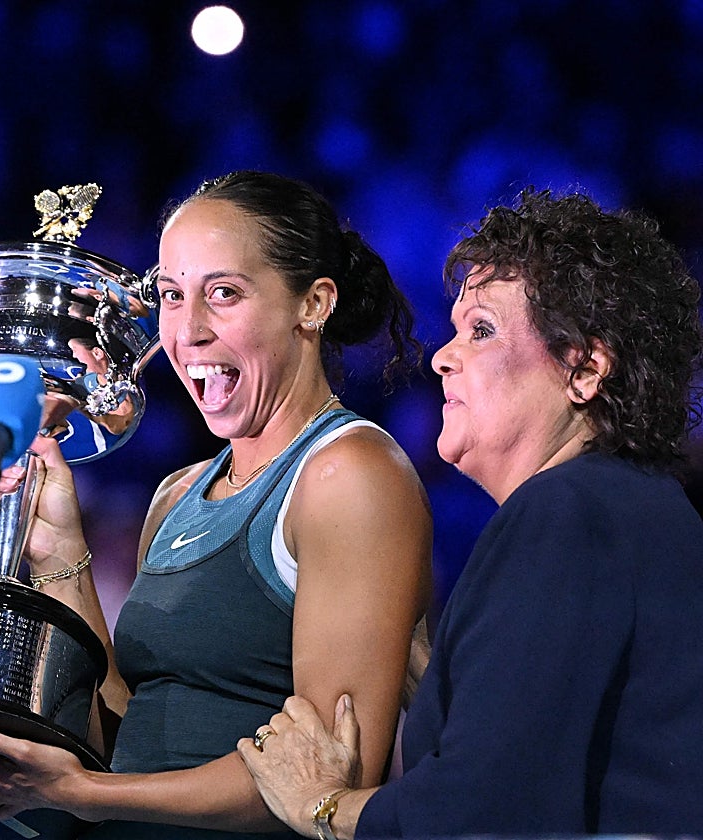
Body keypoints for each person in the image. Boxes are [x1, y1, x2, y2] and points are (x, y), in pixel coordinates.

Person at [0, 170, 434, 837]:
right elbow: (129, 739)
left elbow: (329, 780)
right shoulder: (175, 495)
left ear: (313, 304)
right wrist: (63, 558)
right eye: (170, 295)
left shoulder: (349, 474)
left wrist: (87, 793)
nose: (185, 331)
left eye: (223, 293)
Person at [237, 188, 703, 837]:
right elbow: (554, 740)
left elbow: (480, 809)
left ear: (586, 368)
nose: (441, 356)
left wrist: (321, 804)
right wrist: (430, 668)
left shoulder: (563, 512)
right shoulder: (642, 505)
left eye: (480, 329)